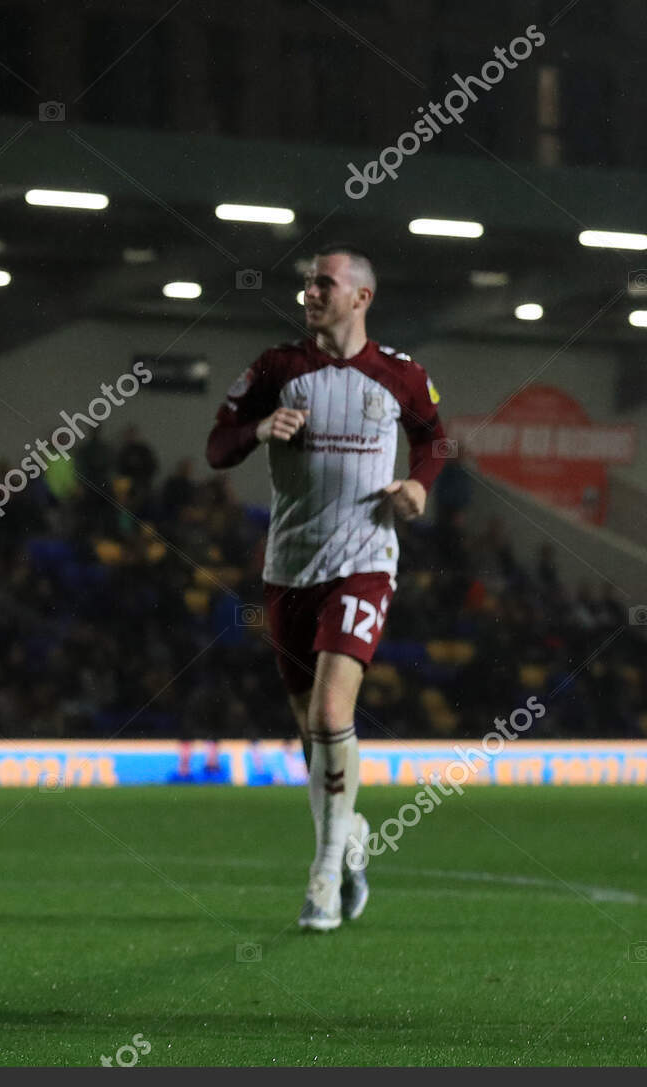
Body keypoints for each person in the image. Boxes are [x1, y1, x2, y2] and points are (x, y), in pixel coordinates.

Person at [205, 245, 449, 932]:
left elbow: (435, 440)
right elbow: (217, 446)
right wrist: (257, 428)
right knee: (314, 740)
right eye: (307, 283)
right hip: (289, 568)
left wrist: (418, 488)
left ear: (361, 298)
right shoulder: (277, 368)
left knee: (329, 713)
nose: (309, 293)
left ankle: (322, 872)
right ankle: (352, 840)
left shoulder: (400, 374)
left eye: (323, 283)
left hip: (365, 561)